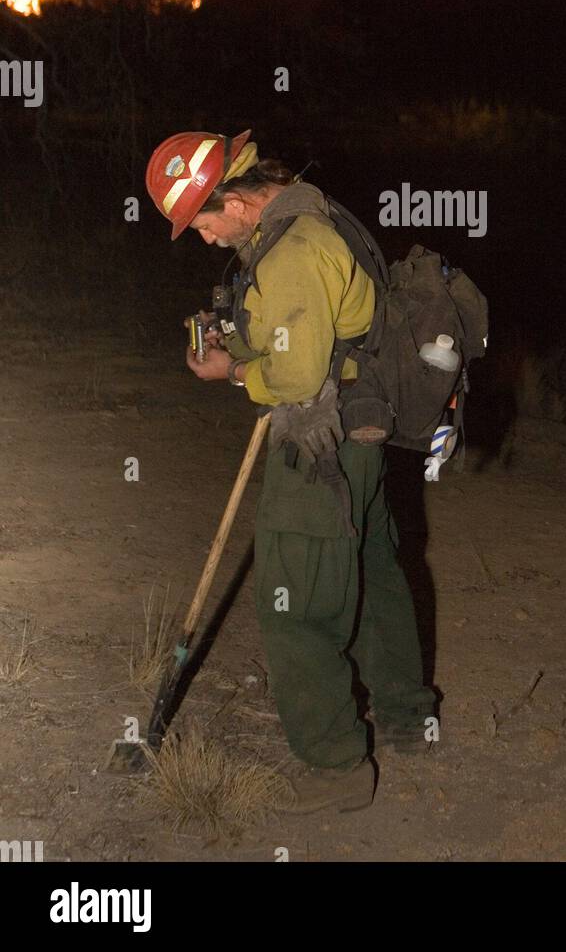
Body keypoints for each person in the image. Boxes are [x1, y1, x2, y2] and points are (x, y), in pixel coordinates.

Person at [146, 128, 436, 814]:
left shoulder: (294, 252)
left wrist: (232, 370)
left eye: (205, 222)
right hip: (360, 434)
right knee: (372, 569)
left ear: (238, 202)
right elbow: (309, 330)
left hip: (319, 443)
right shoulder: (304, 214)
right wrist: (240, 335)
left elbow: (300, 374)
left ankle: (335, 766)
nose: (207, 240)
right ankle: (406, 719)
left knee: (296, 602)